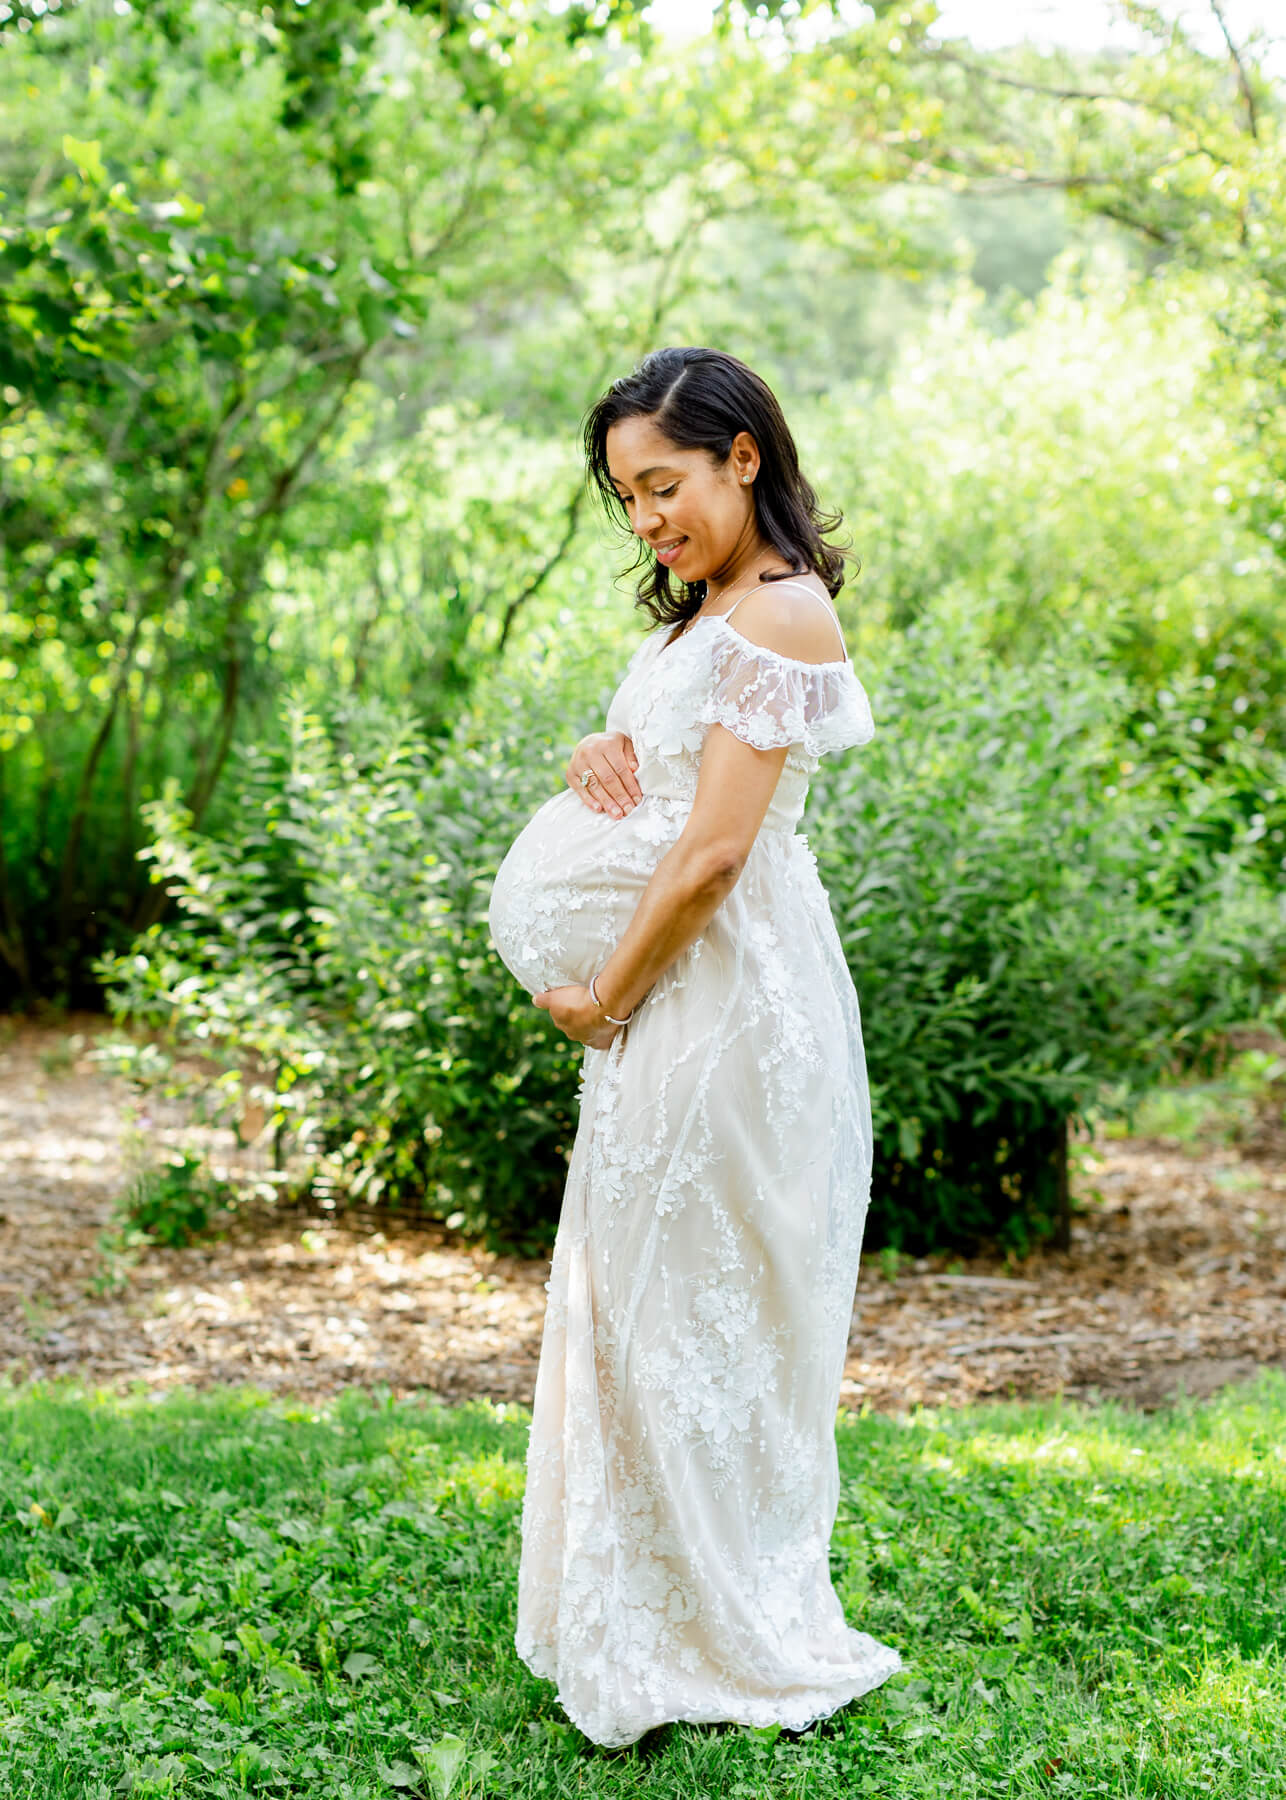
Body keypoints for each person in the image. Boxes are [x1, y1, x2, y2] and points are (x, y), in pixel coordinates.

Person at [487, 346, 902, 1750]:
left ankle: (712, 1627)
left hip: (717, 1004)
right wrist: (594, 758)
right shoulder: (705, 617)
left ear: (740, 455)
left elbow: (717, 853)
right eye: (625, 498)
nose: (646, 518)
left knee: (687, 1304)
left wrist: (604, 993)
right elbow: (666, 789)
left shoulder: (781, 615)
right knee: (635, 1302)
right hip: (679, 1001)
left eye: (662, 483)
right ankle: (643, 1610)